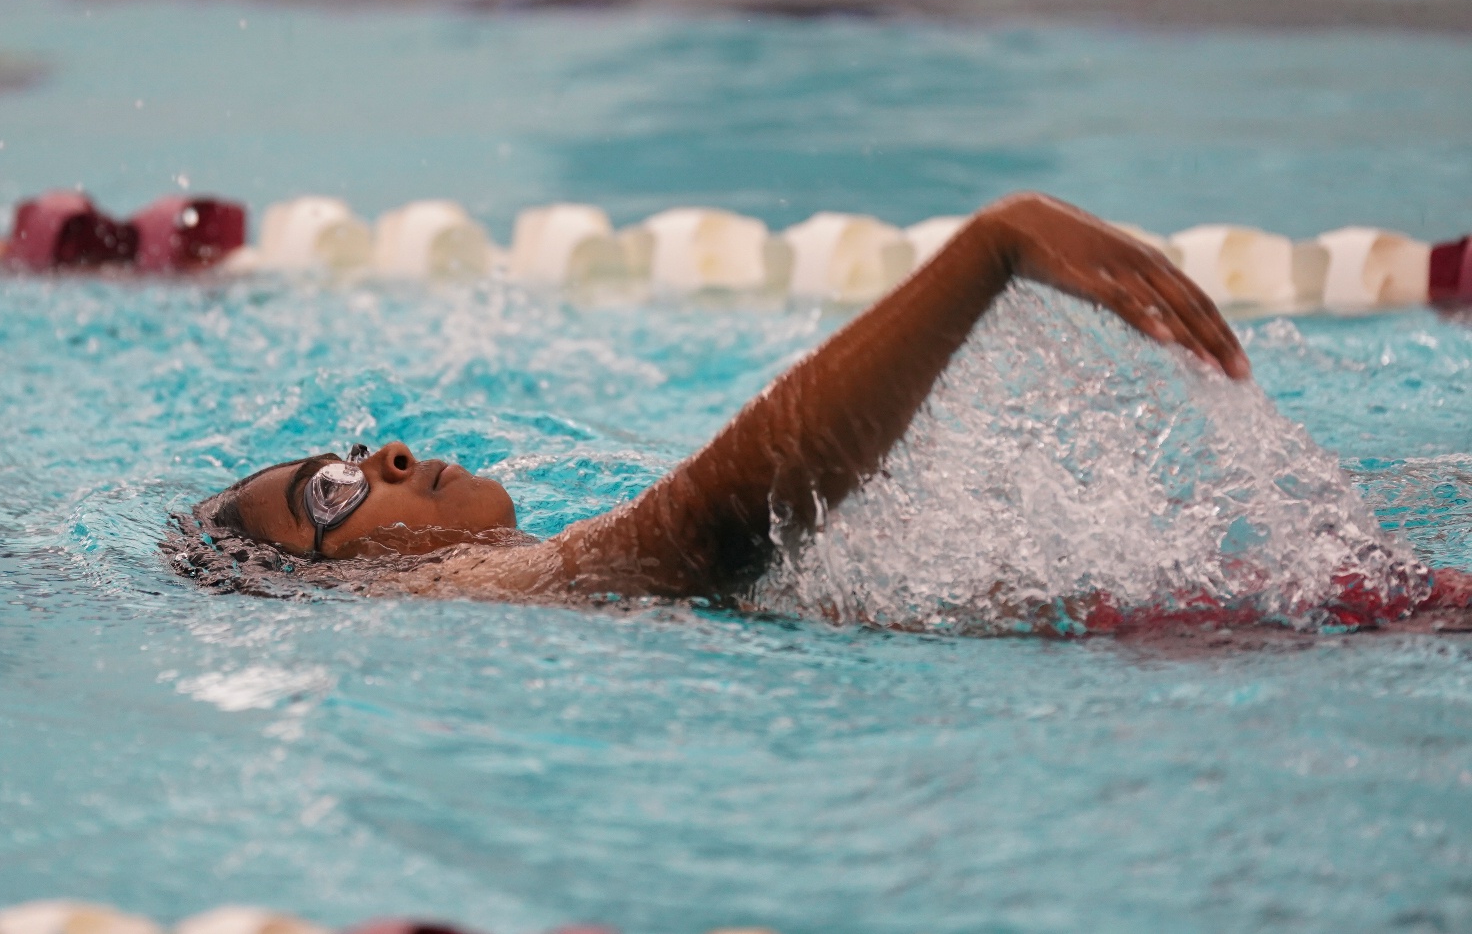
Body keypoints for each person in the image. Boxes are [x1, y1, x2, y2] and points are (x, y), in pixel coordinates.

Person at [174, 192, 1468, 625]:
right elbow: (729, 514)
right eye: (331, 496)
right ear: (338, 599)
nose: (384, 451)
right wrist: (991, 248)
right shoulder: (495, 592)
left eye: (353, 453)